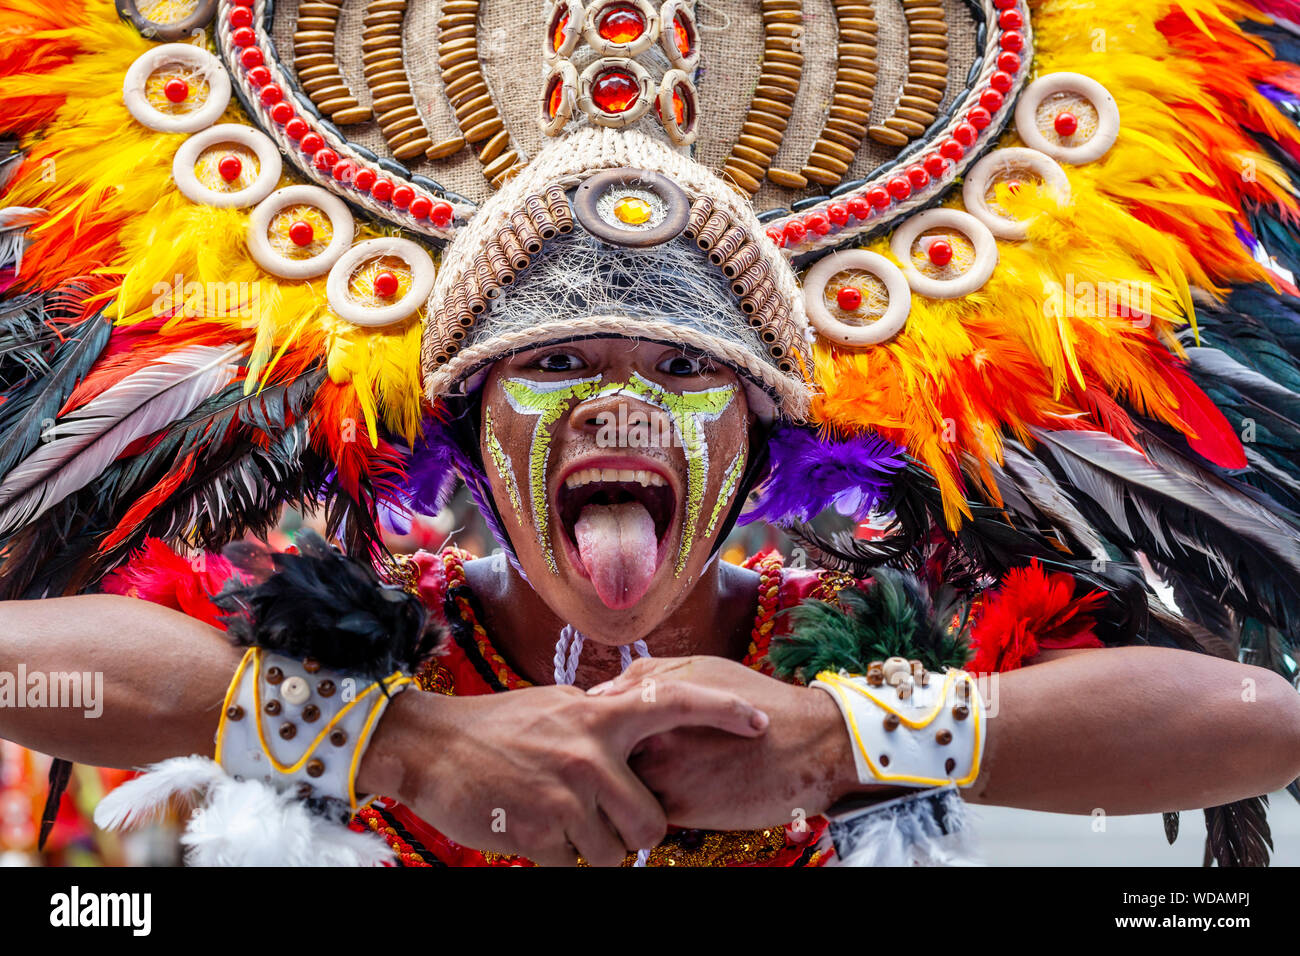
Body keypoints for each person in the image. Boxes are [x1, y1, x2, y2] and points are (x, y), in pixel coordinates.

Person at [2, 0, 1300, 866]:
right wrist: (401, 741)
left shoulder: (859, 624)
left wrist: (846, 739)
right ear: (472, 416)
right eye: (560, 360)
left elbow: (1264, 717)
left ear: (759, 434)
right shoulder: (369, 619)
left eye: (686, 366)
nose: (623, 400)